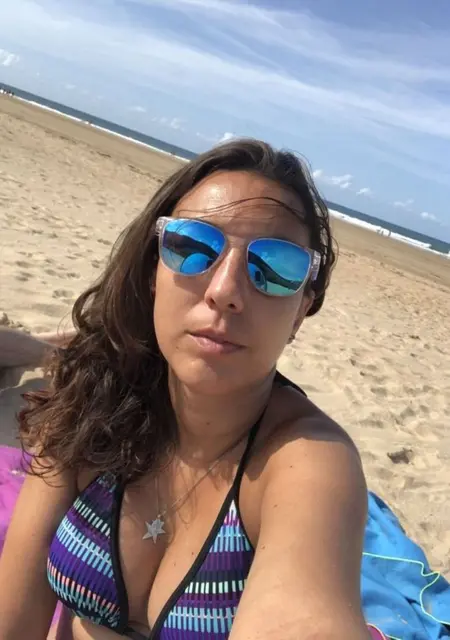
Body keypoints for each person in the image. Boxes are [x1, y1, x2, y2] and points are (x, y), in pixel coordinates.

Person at [0, 139, 374, 640]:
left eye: (275, 267)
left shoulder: (305, 462)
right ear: (153, 272)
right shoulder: (95, 398)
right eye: (193, 246)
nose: (225, 290)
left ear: (301, 312)